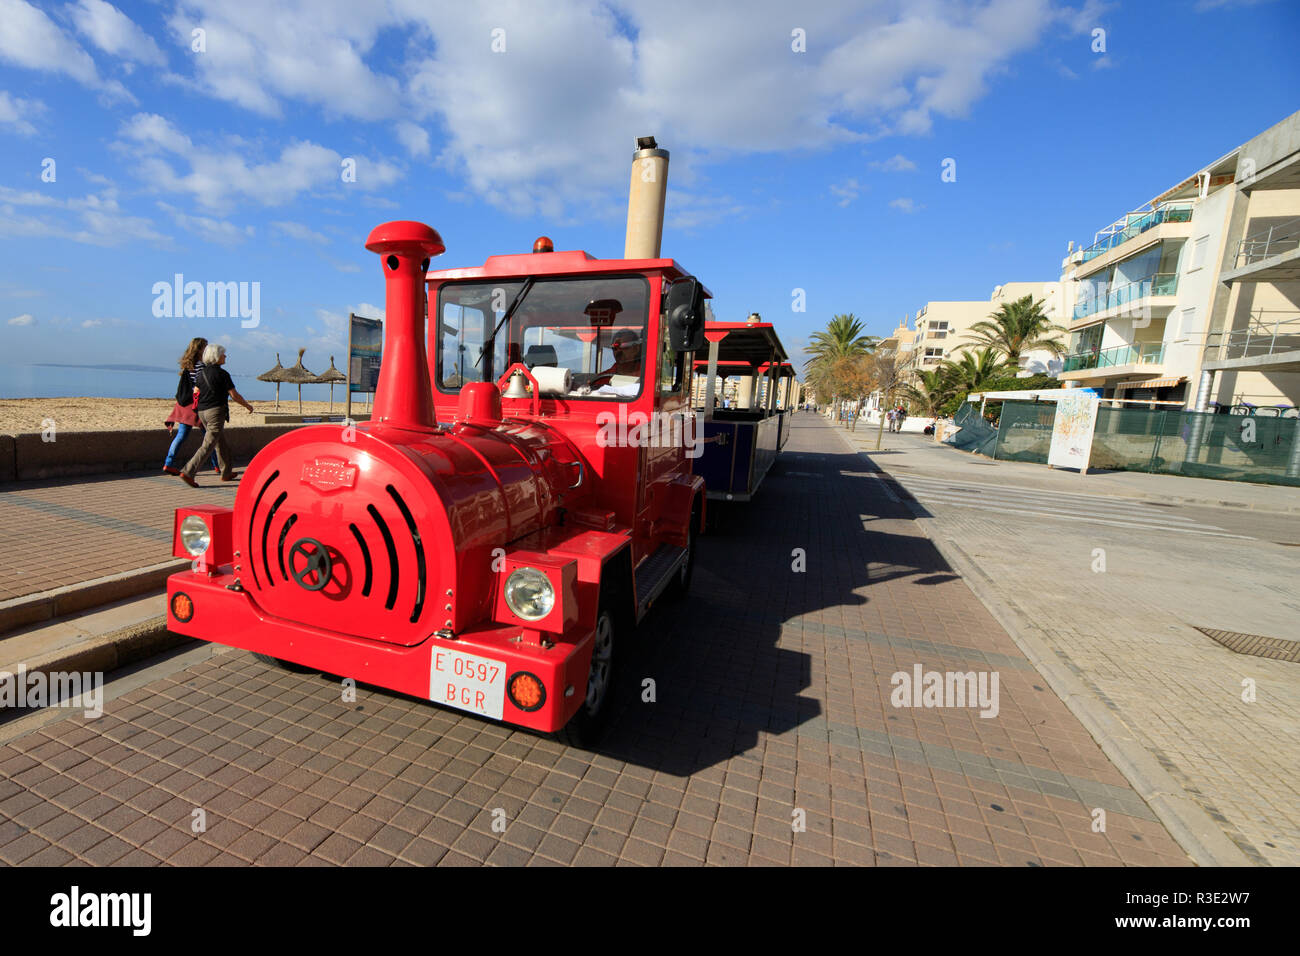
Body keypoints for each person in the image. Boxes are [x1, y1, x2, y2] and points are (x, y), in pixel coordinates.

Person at [178, 343, 255, 486]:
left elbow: (196, 392)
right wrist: (247, 406)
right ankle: (188, 472)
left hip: (202, 411)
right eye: (223, 354)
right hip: (215, 411)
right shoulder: (222, 374)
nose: (225, 356)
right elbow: (234, 395)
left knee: (219, 441)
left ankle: (226, 472)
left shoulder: (201, 374)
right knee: (209, 443)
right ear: (216, 356)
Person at [163, 337, 218, 475]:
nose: (207, 350)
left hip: (184, 405)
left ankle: (168, 463)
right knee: (210, 437)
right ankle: (217, 465)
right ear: (200, 349)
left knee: (181, 435)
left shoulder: (188, 365)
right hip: (196, 406)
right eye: (205, 347)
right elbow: (201, 386)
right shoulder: (201, 366)